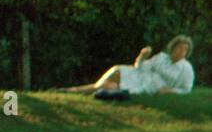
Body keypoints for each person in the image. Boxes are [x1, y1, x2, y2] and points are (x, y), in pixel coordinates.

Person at [66, 35, 195, 95]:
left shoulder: (186, 69)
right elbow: (140, 67)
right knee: (117, 70)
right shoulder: (161, 57)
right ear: (173, 48)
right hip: (138, 75)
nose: (181, 51)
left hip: (147, 86)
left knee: (107, 86)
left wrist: (171, 91)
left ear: (187, 52)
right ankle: (73, 91)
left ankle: (72, 91)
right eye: (179, 48)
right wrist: (143, 56)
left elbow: (186, 89)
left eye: (184, 49)